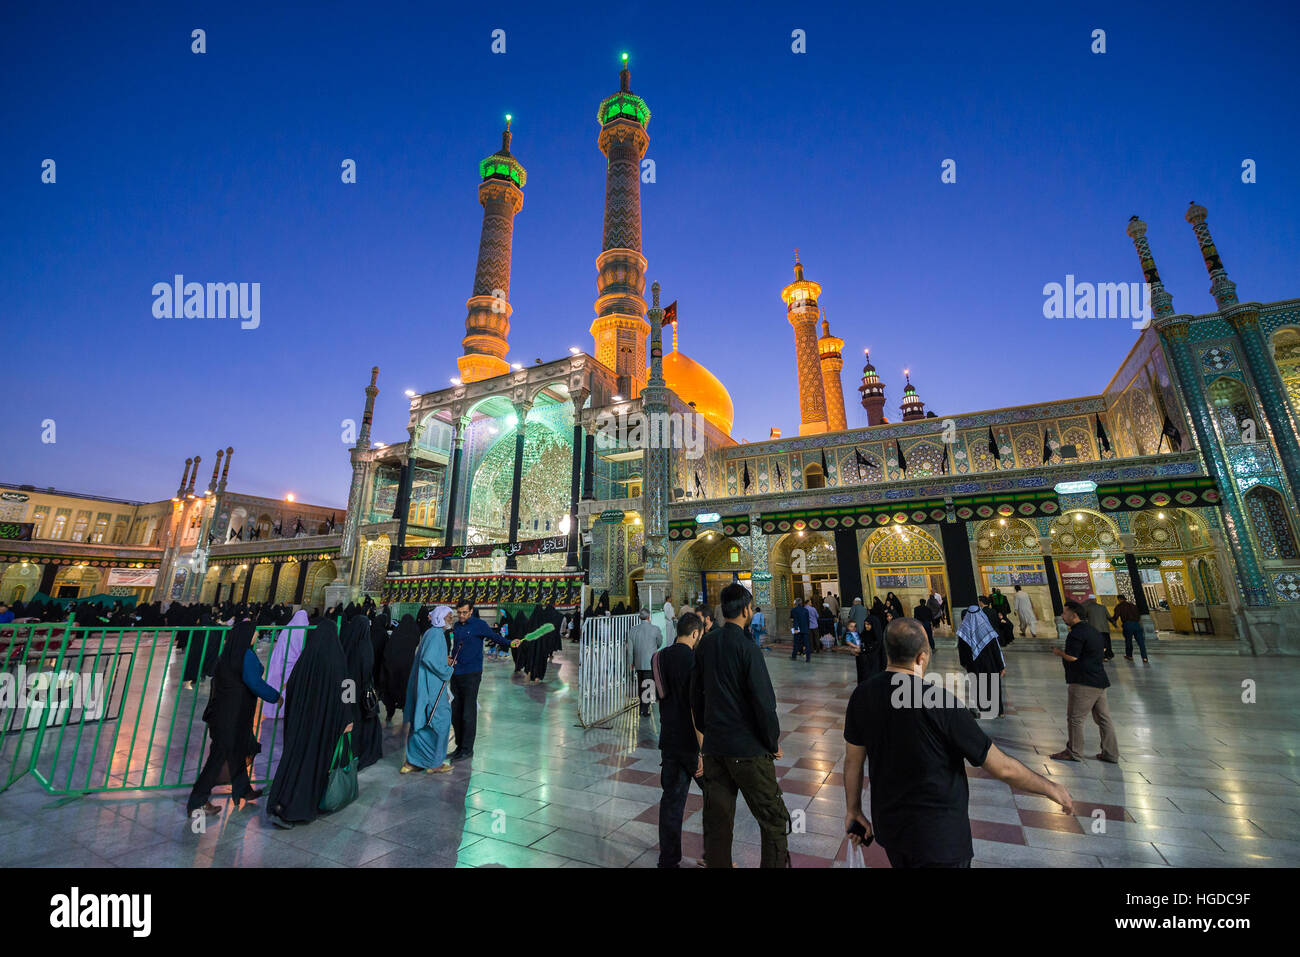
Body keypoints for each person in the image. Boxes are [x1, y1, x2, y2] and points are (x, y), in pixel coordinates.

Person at [843, 619, 1073, 868]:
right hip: (939, 837)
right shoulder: (940, 702)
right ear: (922, 657)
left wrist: (853, 810)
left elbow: (853, 762)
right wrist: (1051, 788)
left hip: (891, 830)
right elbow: (1001, 767)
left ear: (887, 652)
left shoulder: (862, 695)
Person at [690, 583, 788, 868]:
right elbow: (764, 704)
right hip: (748, 750)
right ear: (746, 610)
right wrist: (771, 742)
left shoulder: (706, 643)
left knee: (718, 822)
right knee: (773, 820)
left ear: (721, 611)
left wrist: (707, 733)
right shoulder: (748, 649)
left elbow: (695, 696)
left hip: (715, 748)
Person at [187, 619, 280, 817]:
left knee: (238, 751)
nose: (256, 635)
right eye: (254, 632)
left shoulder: (229, 653)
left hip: (227, 714)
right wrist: (276, 697)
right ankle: (197, 801)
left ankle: (242, 790)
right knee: (218, 757)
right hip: (232, 717)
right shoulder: (246, 656)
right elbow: (254, 682)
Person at [266, 618, 353, 829]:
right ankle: (295, 809)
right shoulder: (338, 660)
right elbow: (347, 691)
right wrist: (348, 717)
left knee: (292, 761)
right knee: (310, 765)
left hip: (300, 723)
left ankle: (280, 803)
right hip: (321, 725)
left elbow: (292, 688)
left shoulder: (305, 659)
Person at [653, 612, 705, 867]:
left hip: (669, 739)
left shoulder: (660, 657)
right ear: (695, 633)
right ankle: (713, 854)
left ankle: (668, 860)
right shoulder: (694, 661)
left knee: (671, 802)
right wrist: (703, 751)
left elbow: (659, 695)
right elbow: (696, 708)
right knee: (717, 797)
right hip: (692, 744)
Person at [1051, 602, 1120, 763]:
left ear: (1074, 615)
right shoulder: (1093, 631)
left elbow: (1073, 657)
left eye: (1064, 613)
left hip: (1084, 682)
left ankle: (1074, 752)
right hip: (1099, 680)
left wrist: (1058, 652)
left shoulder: (1077, 633)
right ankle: (1111, 753)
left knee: (1075, 718)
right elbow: (1103, 650)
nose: (1062, 616)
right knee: (1104, 719)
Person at [447, 599, 511, 761]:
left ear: (471, 611)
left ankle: (467, 750)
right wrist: (450, 658)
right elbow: (456, 647)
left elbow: (495, 637)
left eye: (464, 613)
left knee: (468, 713)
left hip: (472, 674)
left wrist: (510, 643)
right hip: (456, 673)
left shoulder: (479, 624)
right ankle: (459, 746)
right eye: (459, 612)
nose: (461, 616)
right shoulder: (457, 626)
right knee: (456, 712)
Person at [403, 607, 455, 774]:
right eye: (448, 617)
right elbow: (429, 659)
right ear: (440, 617)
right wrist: (447, 669)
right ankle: (435, 763)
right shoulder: (436, 634)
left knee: (422, 722)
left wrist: (442, 659)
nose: (451, 620)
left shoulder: (430, 633)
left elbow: (430, 655)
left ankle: (412, 762)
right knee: (440, 722)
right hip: (432, 688)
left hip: (426, 685)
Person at [340, 613, 383, 770]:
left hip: (347, 687)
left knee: (347, 718)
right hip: (359, 691)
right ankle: (356, 755)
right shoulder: (365, 646)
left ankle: (345, 754)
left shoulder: (346, 643)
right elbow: (366, 672)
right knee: (358, 721)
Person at [957, 600, 1006, 717]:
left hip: (974, 665)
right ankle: (999, 711)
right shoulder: (988, 631)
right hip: (991, 664)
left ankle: (984, 708)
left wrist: (965, 663)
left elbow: (962, 651)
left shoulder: (964, 632)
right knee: (993, 685)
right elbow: (996, 651)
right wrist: (1001, 666)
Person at [262, 609, 308, 719]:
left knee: (278, 685)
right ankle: (286, 711)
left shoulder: (288, 628)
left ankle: (273, 710)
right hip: (294, 664)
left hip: (280, 661)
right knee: (289, 688)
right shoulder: (305, 630)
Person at [379, 613, 420, 724]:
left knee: (392, 690)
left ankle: (389, 714)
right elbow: (416, 645)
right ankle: (406, 716)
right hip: (407, 668)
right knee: (406, 692)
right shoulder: (414, 631)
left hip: (393, 668)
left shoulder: (396, 633)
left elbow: (388, 650)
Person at [629, 608, 663, 717]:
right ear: (649, 617)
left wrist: (631, 662)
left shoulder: (633, 630)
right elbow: (659, 643)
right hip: (650, 661)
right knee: (648, 684)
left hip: (638, 662)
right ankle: (645, 709)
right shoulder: (655, 629)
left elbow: (630, 649)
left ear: (640, 617)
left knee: (640, 684)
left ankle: (642, 707)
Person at [1109, 594, 1148, 662]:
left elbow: (1116, 616)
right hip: (1136, 624)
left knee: (1128, 641)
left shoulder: (1120, 606)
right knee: (1141, 642)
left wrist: (1111, 620)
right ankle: (1144, 657)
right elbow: (1138, 615)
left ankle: (1129, 655)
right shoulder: (1133, 605)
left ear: (1119, 599)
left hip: (1127, 624)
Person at [1081, 593, 1115, 660]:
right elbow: (1109, 617)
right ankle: (1107, 655)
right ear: (1095, 600)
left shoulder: (1088, 608)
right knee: (1106, 643)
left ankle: (1100, 656)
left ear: (1089, 600)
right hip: (1105, 629)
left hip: (1095, 629)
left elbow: (1084, 617)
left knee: (1097, 643)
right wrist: (1114, 623)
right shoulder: (1103, 607)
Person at [790, 598, 812, 663]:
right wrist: (807, 629)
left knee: (796, 643)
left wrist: (795, 627)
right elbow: (808, 620)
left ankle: (794, 656)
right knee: (807, 644)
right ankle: (808, 658)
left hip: (797, 630)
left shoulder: (793, 610)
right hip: (805, 629)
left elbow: (793, 619)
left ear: (796, 603)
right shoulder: (806, 610)